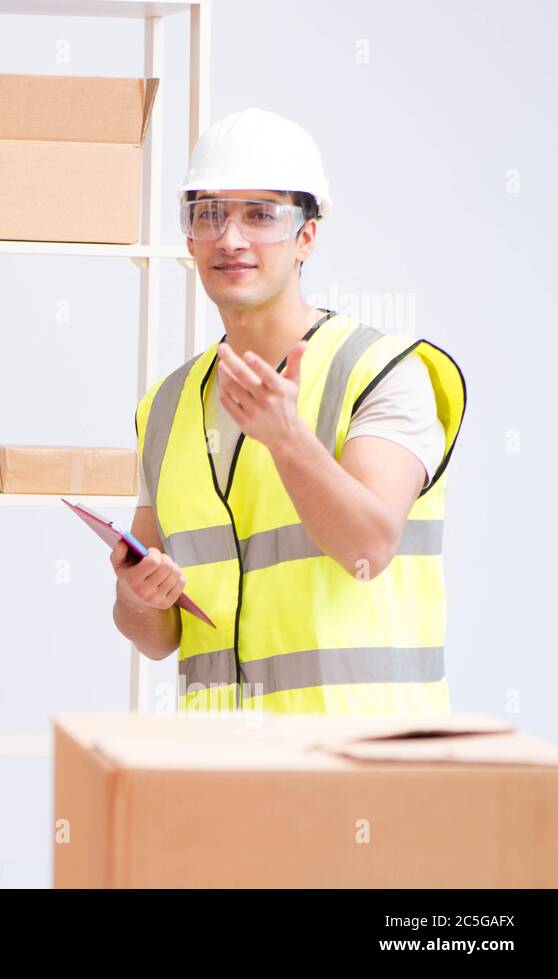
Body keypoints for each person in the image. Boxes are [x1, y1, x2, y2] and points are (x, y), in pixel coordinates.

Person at [111, 108, 466, 715]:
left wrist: (287, 439)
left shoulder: (381, 371)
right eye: (209, 214)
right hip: (223, 770)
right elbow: (156, 638)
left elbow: (369, 548)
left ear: (307, 235)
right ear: (190, 236)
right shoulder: (166, 406)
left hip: (362, 763)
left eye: (261, 215)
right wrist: (141, 596)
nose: (230, 238)